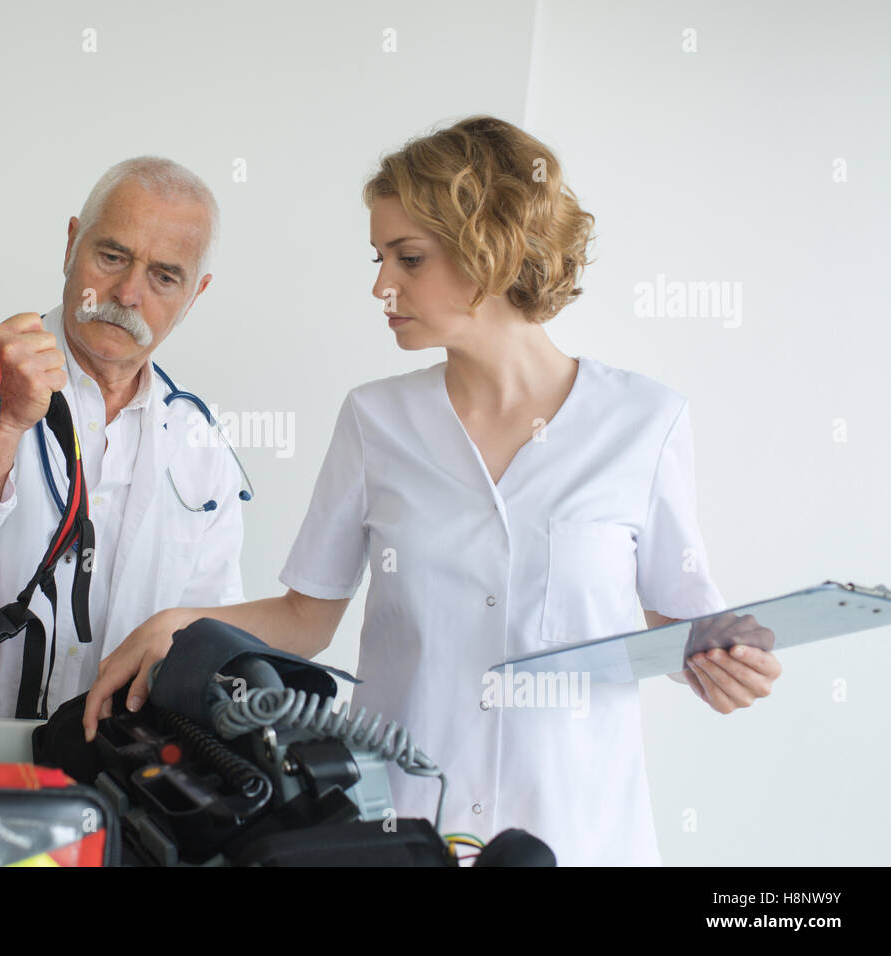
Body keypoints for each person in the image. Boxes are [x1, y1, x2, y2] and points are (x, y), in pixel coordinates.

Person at [82, 116, 782, 866]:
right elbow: (306, 619)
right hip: (401, 833)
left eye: (407, 258)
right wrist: (178, 623)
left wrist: (721, 665)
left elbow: (682, 628)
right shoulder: (375, 420)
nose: (382, 285)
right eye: (381, 257)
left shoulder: (644, 422)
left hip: (576, 831)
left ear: (490, 247)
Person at [0, 157, 246, 718]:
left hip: (113, 774)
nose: (128, 293)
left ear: (196, 293)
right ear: (71, 245)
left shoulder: (202, 446)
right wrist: (5, 427)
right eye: (112, 257)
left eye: (164, 276)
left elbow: (208, 639)